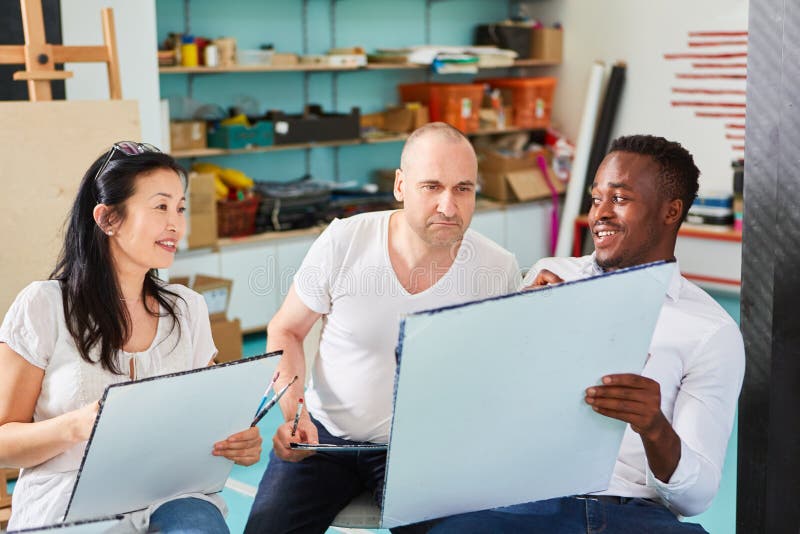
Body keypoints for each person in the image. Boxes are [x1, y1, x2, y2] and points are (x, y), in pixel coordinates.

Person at [429, 135, 746, 533]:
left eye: (620, 198)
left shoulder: (709, 331)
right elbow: (479, 409)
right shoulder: (550, 278)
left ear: (671, 211)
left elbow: (695, 498)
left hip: (630, 511)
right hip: (521, 502)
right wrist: (510, 329)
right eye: (597, 199)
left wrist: (653, 426)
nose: (601, 214)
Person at [244, 122, 521, 534]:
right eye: (432, 187)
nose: (449, 205)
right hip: (324, 437)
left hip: (423, 450)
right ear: (400, 186)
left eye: (463, 189)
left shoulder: (496, 269)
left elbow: (505, 375)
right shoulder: (345, 242)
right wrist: (295, 413)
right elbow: (286, 330)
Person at [0, 142, 262, 532]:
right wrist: (77, 426)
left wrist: (241, 442)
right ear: (108, 219)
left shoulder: (188, 308)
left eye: (180, 208)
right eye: (160, 207)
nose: (176, 224)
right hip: (70, 505)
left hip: (171, 494)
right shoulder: (43, 305)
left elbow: (209, 418)